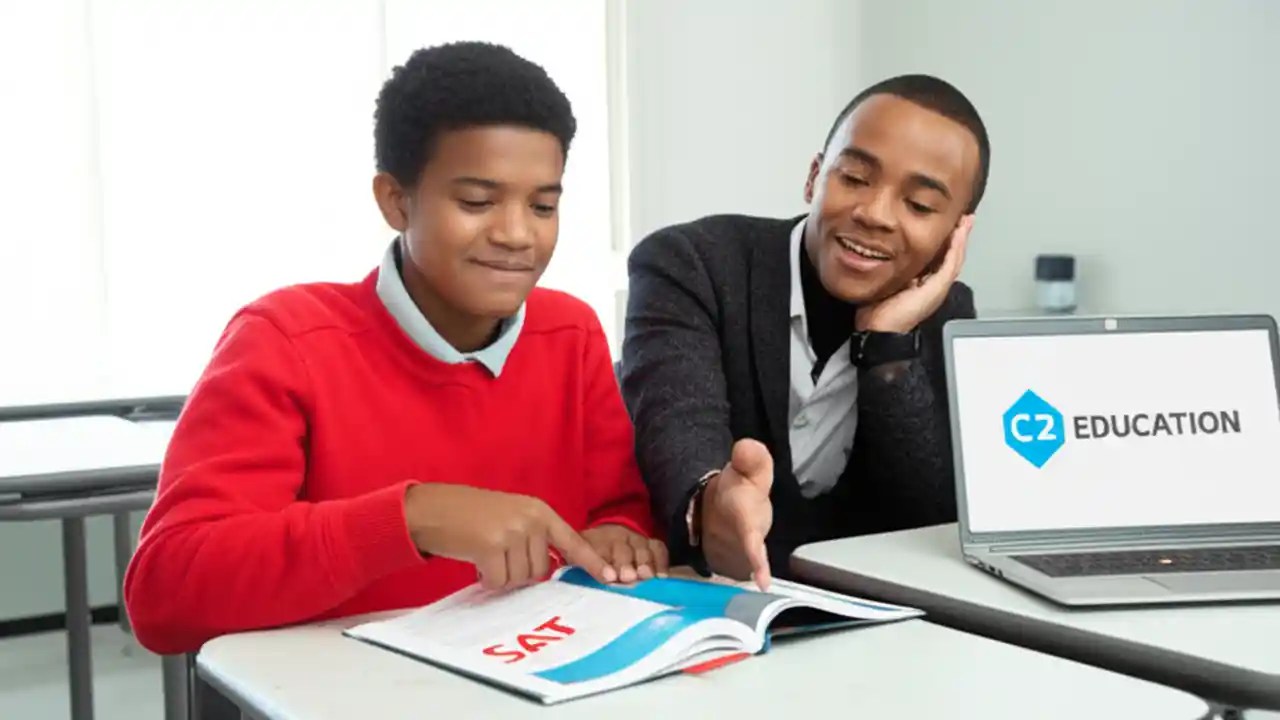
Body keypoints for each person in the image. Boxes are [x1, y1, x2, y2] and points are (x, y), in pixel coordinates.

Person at [124, 41, 666, 655]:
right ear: (395, 200)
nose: (517, 234)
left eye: (543, 205)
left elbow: (619, 509)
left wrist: (620, 535)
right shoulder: (284, 341)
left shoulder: (570, 333)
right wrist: (412, 517)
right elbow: (166, 591)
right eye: (476, 202)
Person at [620, 74, 989, 589]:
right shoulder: (692, 265)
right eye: (855, 177)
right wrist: (711, 503)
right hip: (698, 603)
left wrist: (887, 345)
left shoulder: (946, 316)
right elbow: (678, 427)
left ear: (955, 232)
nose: (874, 214)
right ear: (815, 176)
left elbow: (930, 522)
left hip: (867, 632)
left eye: (920, 206)